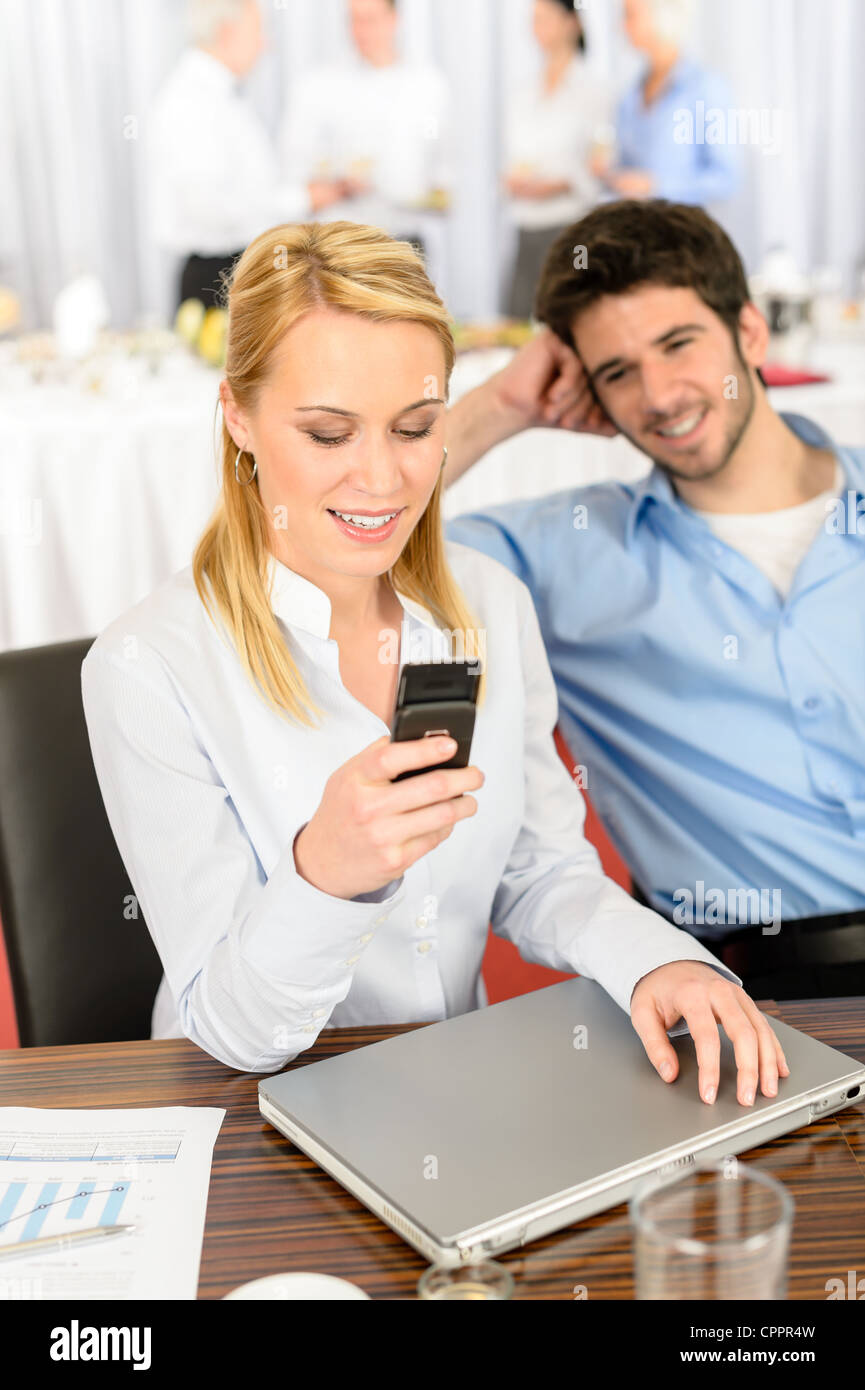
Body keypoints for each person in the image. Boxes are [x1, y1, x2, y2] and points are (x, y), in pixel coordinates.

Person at [81, 218, 786, 1106]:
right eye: (329, 435)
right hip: (243, 1119)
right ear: (238, 416)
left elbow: (541, 870)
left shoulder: (490, 604)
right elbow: (232, 1033)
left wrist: (658, 964)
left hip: (451, 1102)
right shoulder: (146, 665)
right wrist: (324, 872)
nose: (380, 480)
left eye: (414, 427)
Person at [444, 198, 865, 1001]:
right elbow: (345, 537)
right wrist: (500, 404)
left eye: (678, 345)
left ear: (748, 332)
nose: (661, 395)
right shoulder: (560, 551)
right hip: (752, 1001)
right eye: (617, 372)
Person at [147, 0, 347, 309]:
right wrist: (302, 199)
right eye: (258, 31)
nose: (265, 43)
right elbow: (211, 207)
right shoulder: (190, 103)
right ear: (228, 32)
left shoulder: (223, 97)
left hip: (237, 268)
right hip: (215, 278)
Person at [279, 0, 450, 272]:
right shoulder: (319, 85)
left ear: (395, 20)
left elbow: (445, 181)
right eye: (354, 20)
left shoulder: (428, 86)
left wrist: (419, 192)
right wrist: (337, 185)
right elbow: (294, 173)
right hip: (341, 246)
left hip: (404, 243)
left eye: (371, 20)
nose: (361, 31)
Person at [504, 0, 611, 319]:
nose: (538, 28)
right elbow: (515, 161)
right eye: (534, 20)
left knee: (569, 318)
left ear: (572, 23)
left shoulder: (595, 92)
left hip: (571, 229)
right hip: (526, 227)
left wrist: (561, 182)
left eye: (545, 18)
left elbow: (601, 164)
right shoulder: (522, 93)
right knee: (519, 321)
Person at [591, 0, 739, 206]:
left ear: (662, 16)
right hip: (636, 228)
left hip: (683, 228)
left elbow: (726, 179)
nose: (621, 26)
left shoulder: (705, 89)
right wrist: (609, 173)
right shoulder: (629, 96)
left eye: (630, 15)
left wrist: (657, 186)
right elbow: (627, 169)